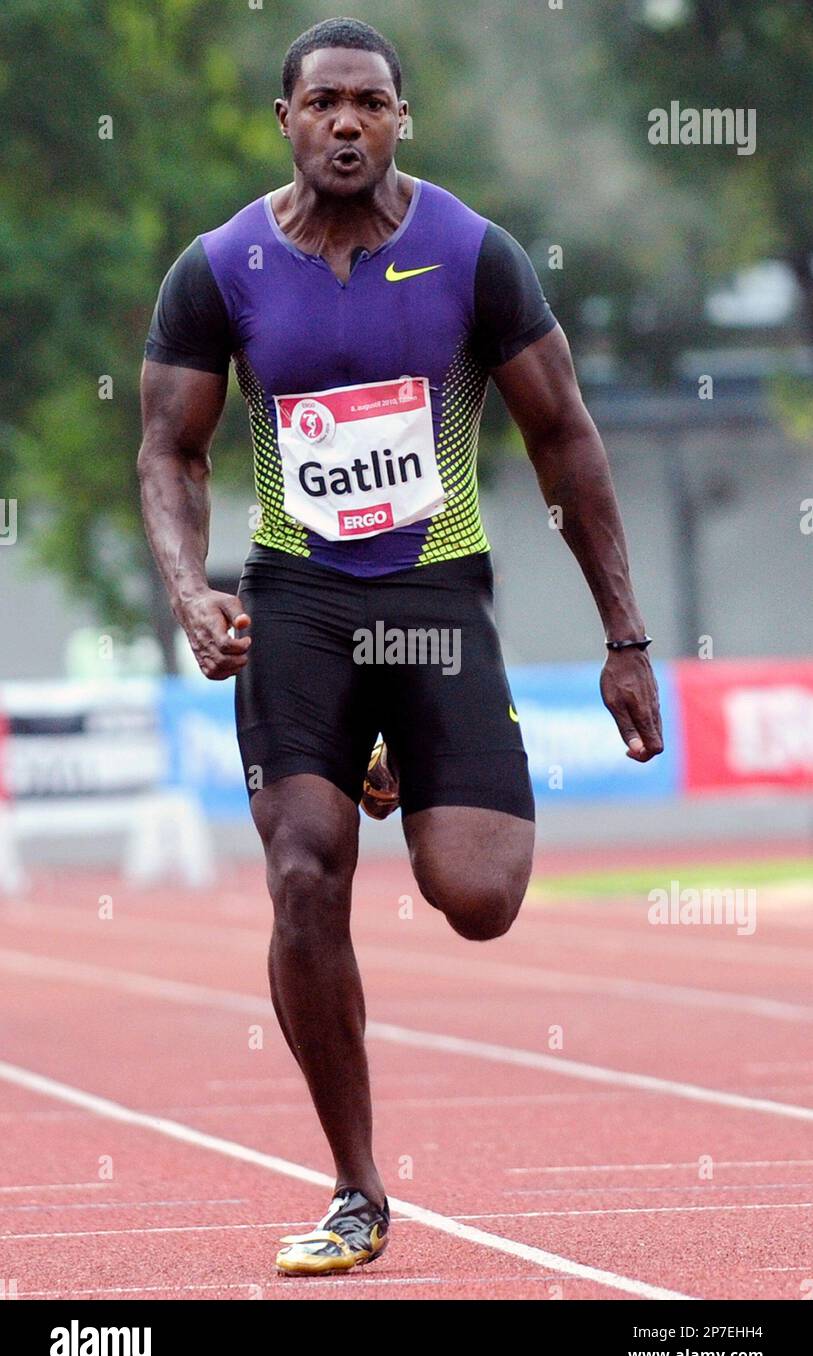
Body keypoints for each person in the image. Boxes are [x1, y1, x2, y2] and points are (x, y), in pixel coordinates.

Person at [138, 17, 663, 1277]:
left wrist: (626, 636)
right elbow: (169, 449)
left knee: (478, 898)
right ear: (286, 121)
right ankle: (359, 1188)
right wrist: (187, 591)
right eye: (323, 103)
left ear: (401, 118)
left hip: (432, 598)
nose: (347, 124)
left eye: (371, 102)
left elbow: (567, 439)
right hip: (299, 602)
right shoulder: (220, 269)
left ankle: (407, 759)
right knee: (306, 874)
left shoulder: (474, 256)